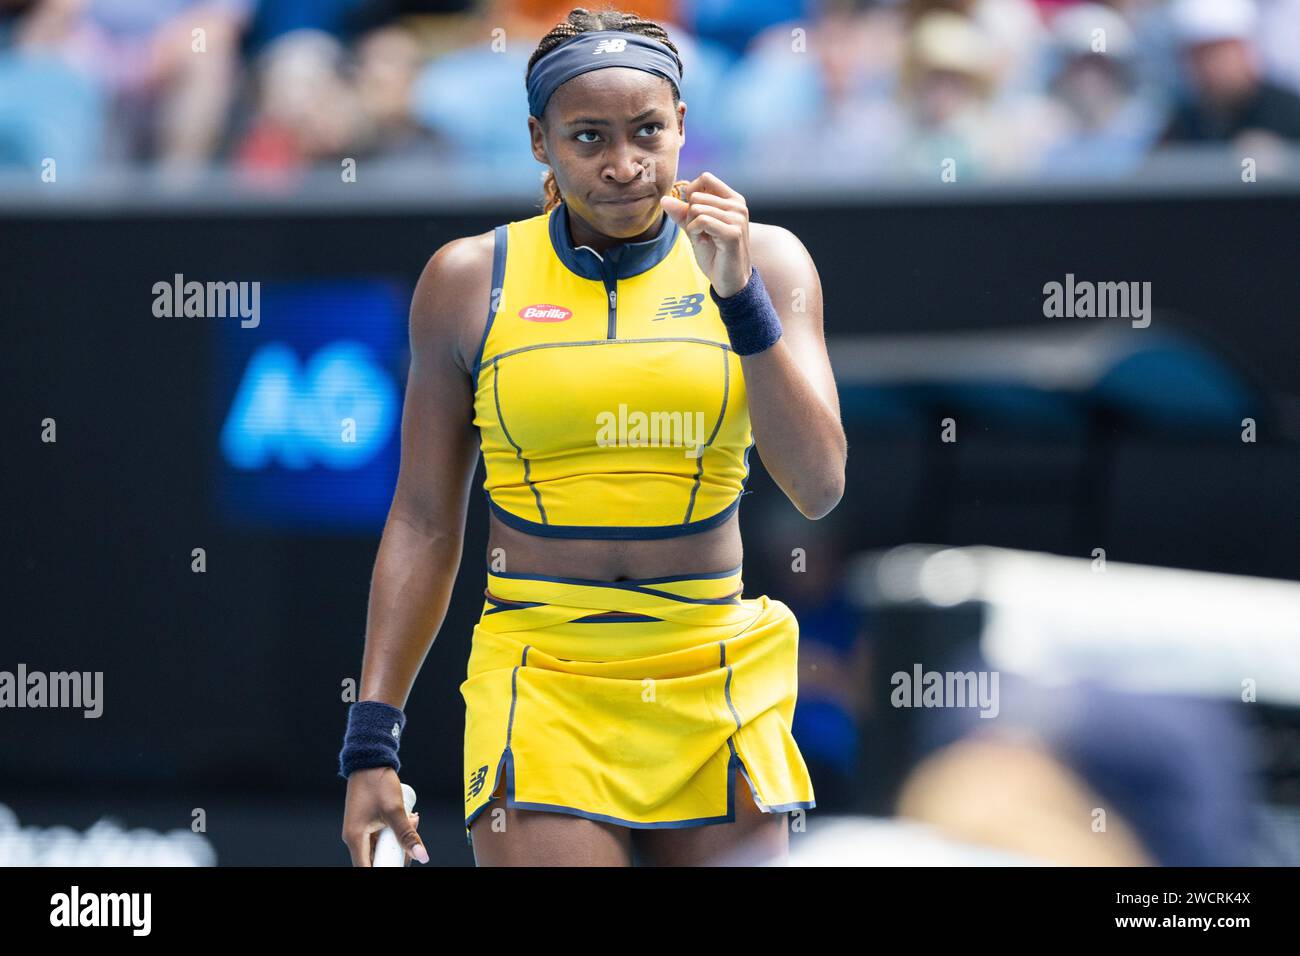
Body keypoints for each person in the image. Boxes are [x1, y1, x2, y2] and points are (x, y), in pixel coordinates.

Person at [338, 6, 846, 867]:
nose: (624, 165)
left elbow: (818, 484)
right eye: (587, 137)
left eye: (648, 130)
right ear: (539, 141)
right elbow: (425, 521)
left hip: (714, 664)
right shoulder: (466, 280)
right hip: (540, 675)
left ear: (684, 123)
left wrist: (740, 299)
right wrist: (370, 745)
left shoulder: (772, 261)